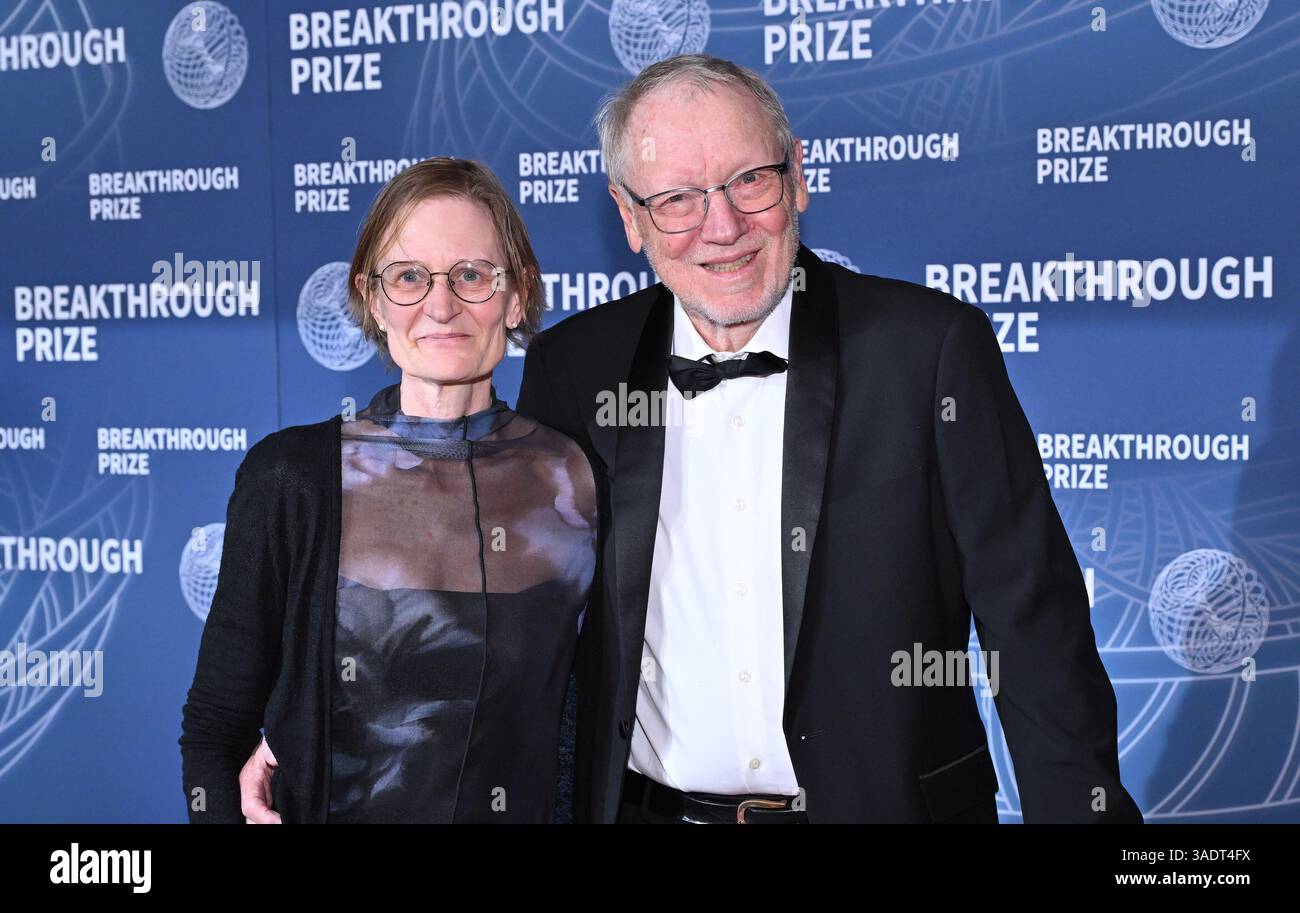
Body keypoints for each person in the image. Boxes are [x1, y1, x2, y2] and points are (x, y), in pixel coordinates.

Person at [515, 55, 1142, 823]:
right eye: (677, 198)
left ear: (798, 175)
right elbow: (529, 645)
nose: (723, 227)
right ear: (630, 217)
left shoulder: (929, 352)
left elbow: (1035, 633)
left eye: (750, 180)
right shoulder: (576, 369)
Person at [179, 157, 597, 823]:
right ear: (373, 299)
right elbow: (215, 729)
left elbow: (591, 721)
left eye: (472, 274)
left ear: (516, 294)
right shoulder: (292, 479)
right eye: (408, 277)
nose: (441, 305)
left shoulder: (575, 478)